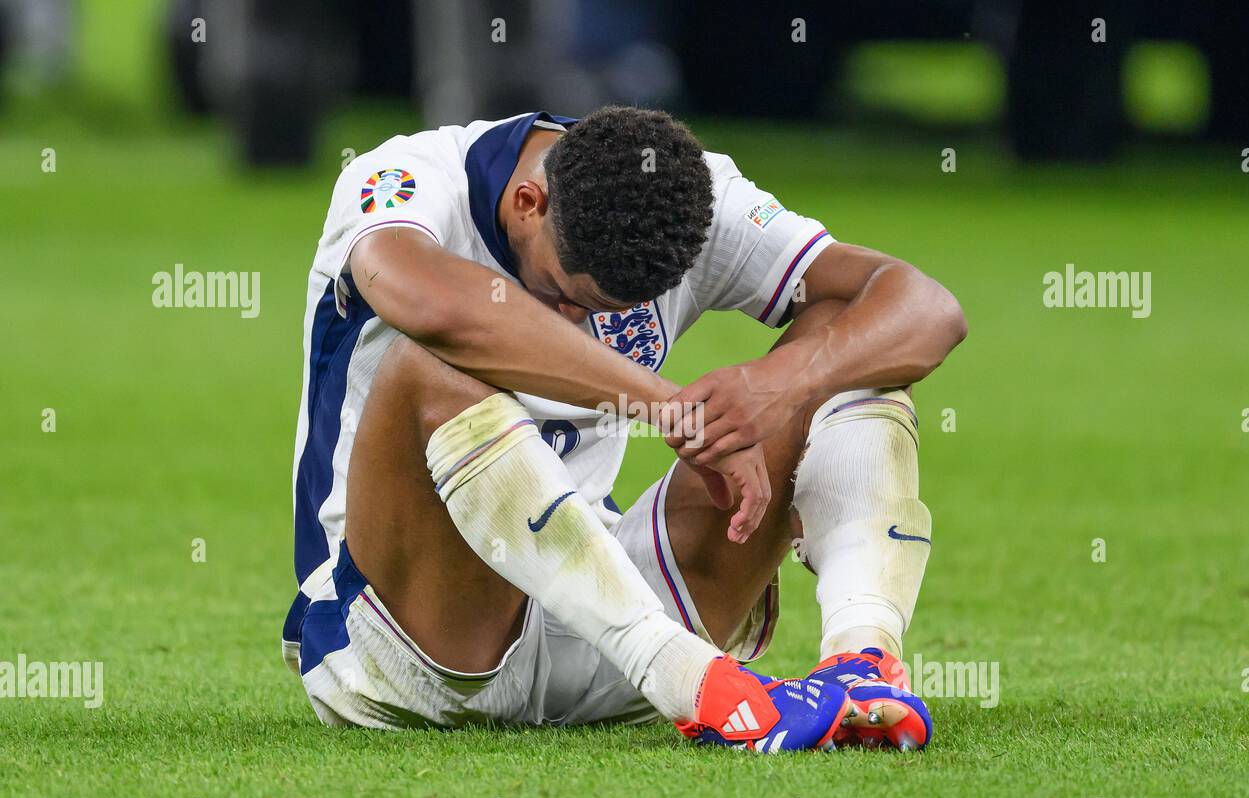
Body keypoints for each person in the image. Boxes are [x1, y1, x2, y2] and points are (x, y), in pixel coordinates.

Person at [281, 106, 965, 751]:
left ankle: (861, 663)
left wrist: (780, 387)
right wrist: (665, 403)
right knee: (426, 362)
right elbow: (426, 298)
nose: (573, 323)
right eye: (563, 296)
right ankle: (687, 678)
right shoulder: (407, 176)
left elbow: (927, 307)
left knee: (852, 340)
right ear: (529, 202)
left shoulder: (697, 200)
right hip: (416, 648)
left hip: (600, 618)